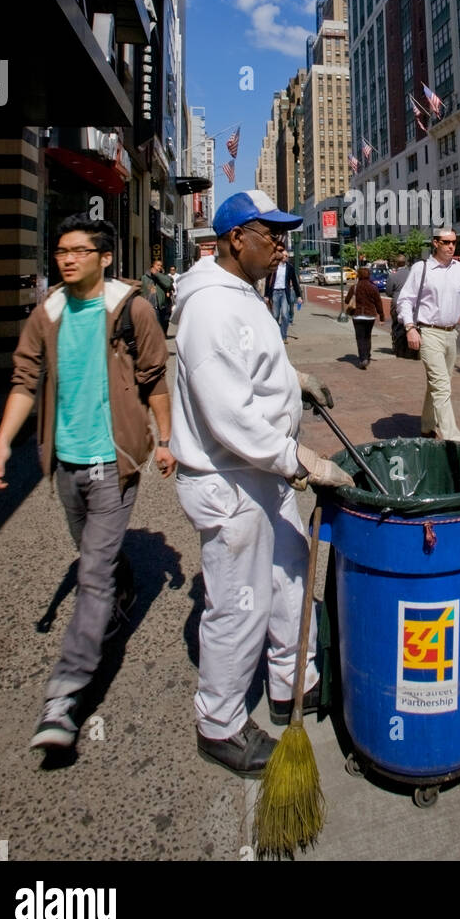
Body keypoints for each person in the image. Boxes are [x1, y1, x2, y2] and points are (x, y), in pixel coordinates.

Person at [170, 189, 354, 778]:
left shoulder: (242, 294)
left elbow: (251, 368)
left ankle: (291, 684)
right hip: (231, 479)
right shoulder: (210, 307)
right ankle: (219, 724)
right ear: (233, 240)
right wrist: (301, 461)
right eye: (268, 232)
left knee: (290, 577)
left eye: (282, 233)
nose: (280, 243)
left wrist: (292, 379)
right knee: (238, 606)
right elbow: (230, 415)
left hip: (261, 477)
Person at [0, 215, 175, 752]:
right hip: (63, 464)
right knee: (96, 559)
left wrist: (165, 439)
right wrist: (2, 445)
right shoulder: (48, 313)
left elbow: (155, 376)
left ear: (104, 257)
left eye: (78, 251)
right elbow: (24, 380)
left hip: (115, 462)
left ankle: (64, 695)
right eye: (60, 251)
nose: (66, 259)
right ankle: (122, 581)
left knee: (91, 574)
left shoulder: (132, 309)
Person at [396, 228, 460, 442]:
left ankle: (427, 426)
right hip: (428, 333)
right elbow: (405, 300)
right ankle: (454, 441)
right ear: (435, 243)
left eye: (454, 242)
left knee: (438, 383)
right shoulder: (422, 269)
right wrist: (410, 327)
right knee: (442, 386)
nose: (451, 246)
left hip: (451, 334)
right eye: (446, 242)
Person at [345, 265, 384, 368]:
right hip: (370, 316)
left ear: (358, 275)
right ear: (369, 275)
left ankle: (363, 358)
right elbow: (378, 302)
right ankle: (367, 355)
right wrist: (382, 316)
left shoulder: (354, 287)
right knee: (367, 336)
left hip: (357, 316)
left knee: (360, 338)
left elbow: (346, 300)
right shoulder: (373, 287)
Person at [264, 249, 301, 342]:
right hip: (275, 293)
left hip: (285, 292)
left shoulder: (290, 268)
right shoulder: (274, 267)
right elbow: (268, 281)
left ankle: (283, 336)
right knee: (275, 315)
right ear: (280, 256)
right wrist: (266, 295)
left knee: (285, 315)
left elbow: (295, 283)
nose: (286, 257)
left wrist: (299, 296)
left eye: (287, 256)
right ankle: (275, 334)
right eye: (285, 256)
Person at [384, 254, 411, 355]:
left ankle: (397, 347)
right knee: (410, 324)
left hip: (397, 302)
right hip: (411, 303)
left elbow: (388, 292)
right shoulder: (411, 274)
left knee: (396, 324)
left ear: (396, 264)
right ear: (406, 263)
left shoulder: (393, 275)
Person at [142, 257, 174, 333]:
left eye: (161, 265)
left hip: (162, 306)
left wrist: (157, 274)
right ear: (152, 266)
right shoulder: (144, 278)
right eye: (158, 265)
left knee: (163, 325)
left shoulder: (164, 277)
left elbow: (168, 284)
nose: (159, 267)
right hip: (150, 305)